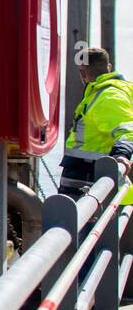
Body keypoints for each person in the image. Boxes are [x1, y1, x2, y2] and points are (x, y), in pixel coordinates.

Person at [59, 47, 133, 203]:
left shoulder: (109, 96)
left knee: (72, 222)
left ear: (82, 72)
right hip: (88, 174)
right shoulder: (102, 92)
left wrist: (122, 155)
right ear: (109, 67)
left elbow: (126, 130)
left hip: (88, 177)